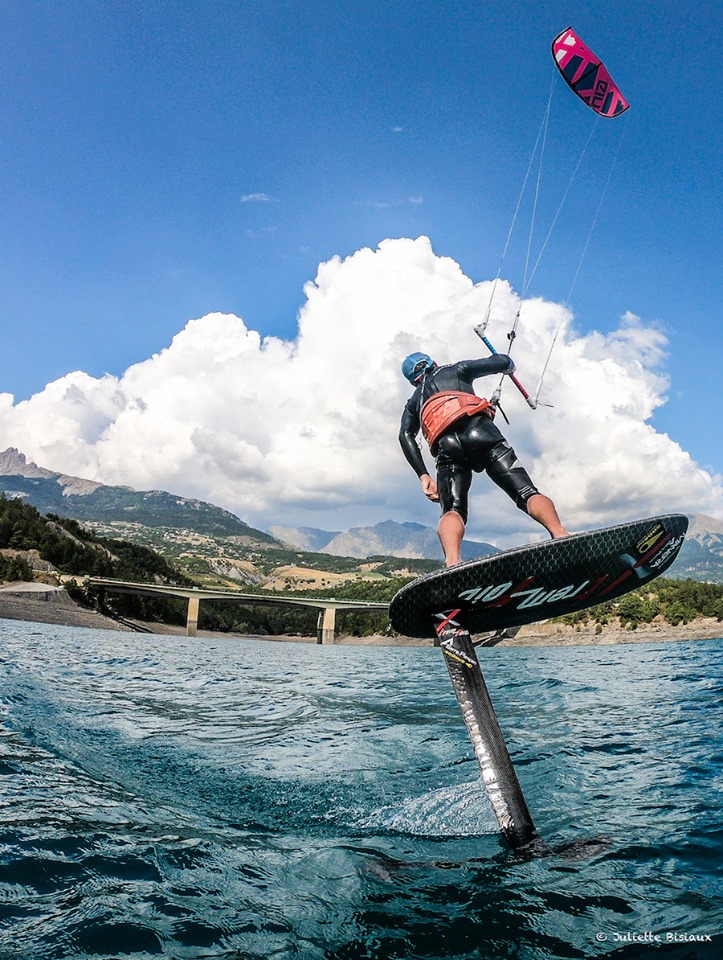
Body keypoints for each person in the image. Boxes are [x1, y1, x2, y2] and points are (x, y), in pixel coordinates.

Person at [399, 351, 568, 566]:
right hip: (481, 433)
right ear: (433, 363)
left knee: (452, 510)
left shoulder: (414, 402)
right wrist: (508, 365)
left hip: (447, 449)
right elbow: (502, 362)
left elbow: (405, 435)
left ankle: (452, 561)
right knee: (526, 493)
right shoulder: (456, 369)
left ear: (413, 382)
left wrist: (423, 475)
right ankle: (560, 534)